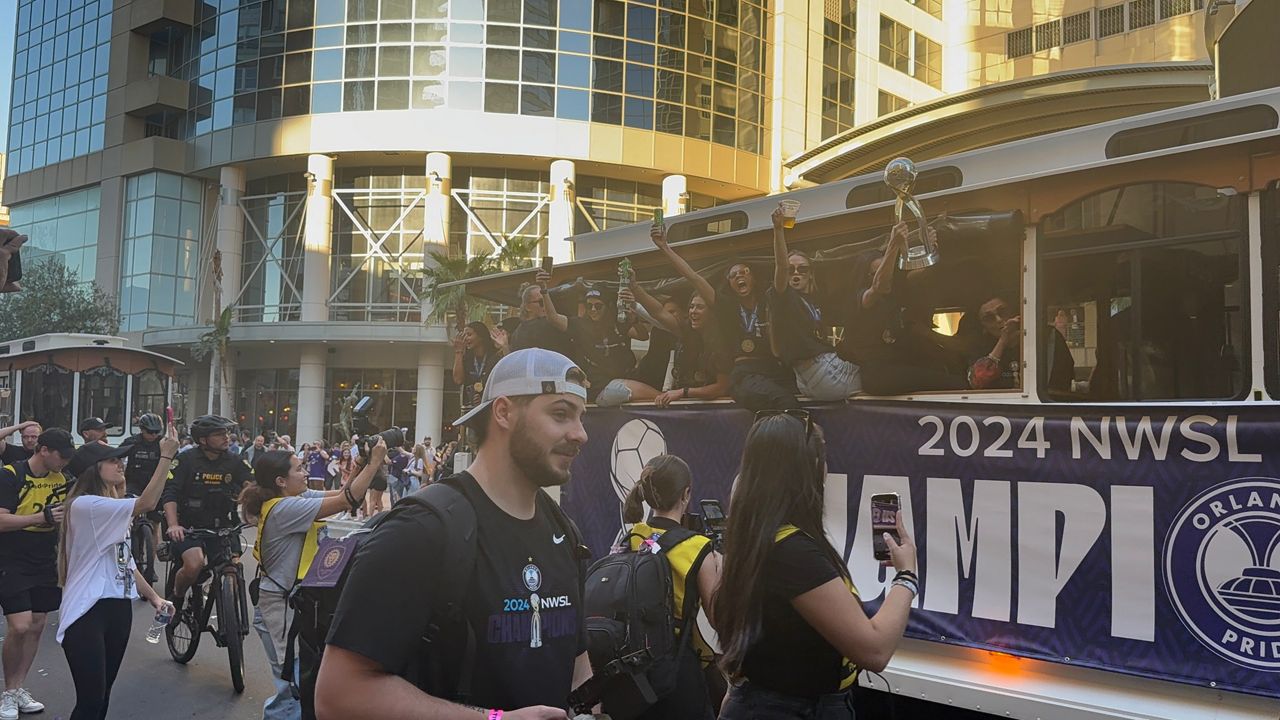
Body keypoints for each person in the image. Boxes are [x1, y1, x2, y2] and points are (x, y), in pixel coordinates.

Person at [317, 348, 595, 720]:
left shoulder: (564, 532)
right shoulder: (420, 531)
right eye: (560, 414)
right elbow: (338, 695)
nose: (580, 434)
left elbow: (575, 660)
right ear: (504, 412)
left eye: (580, 417)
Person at [712, 411, 918, 719]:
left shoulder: (759, 537)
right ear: (808, 469)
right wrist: (906, 576)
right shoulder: (792, 553)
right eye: (821, 457)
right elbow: (874, 649)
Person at [240, 439, 387, 720]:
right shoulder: (284, 509)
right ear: (281, 481)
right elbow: (349, 500)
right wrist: (376, 463)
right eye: (299, 469)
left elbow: (344, 492)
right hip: (277, 606)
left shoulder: (295, 500)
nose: (305, 472)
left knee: (298, 680)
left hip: (290, 602)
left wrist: (359, 467)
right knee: (293, 683)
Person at [55, 423, 179, 720]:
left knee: (104, 698)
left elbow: (124, 560)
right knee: (90, 701)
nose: (120, 463)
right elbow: (148, 503)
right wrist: (166, 458)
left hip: (117, 607)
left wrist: (154, 598)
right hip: (88, 611)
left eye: (120, 458)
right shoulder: (85, 505)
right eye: (112, 460)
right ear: (92, 469)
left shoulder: (109, 506)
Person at [652, 224, 799, 411]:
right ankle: (807, 434)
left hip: (774, 368)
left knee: (798, 397)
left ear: (752, 278)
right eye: (733, 275)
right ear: (729, 283)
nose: (739, 276)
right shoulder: (726, 306)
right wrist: (664, 247)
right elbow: (694, 277)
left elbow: (782, 267)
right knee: (783, 401)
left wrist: (778, 230)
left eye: (744, 272)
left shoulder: (768, 300)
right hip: (745, 373)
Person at [620, 455, 723, 719]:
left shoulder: (633, 536)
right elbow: (719, 618)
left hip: (632, 671)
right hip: (677, 671)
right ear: (686, 494)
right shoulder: (697, 546)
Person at [0, 428, 76, 720]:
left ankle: (18, 687)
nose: (65, 462)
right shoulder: (10, 475)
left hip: (44, 556)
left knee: (37, 624)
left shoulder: (64, 479)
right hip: (11, 555)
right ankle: (8, 692)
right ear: (43, 450)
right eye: (62, 456)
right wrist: (40, 517)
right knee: (19, 626)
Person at [841, 224, 966, 395]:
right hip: (878, 374)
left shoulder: (894, 295)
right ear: (865, 277)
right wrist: (894, 245)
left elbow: (920, 275)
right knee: (953, 384)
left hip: (899, 365)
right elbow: (879, 286)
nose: (884, 275)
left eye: (885, 271)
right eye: (875, 273)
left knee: (946, 373)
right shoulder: (861, 297)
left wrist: (929, 249)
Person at [768, 205, 861, 401]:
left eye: (802, 269)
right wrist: (778, 230)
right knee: (876, 375)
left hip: (808, 380)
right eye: (791, 269)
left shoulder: (814, 302)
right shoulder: (785, 297)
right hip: (823, 372)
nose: (795, 273)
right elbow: (781, 266)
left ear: (810, 274)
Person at [161, 415, 253, 612]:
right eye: (219, 434)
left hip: (224, 526)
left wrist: (254, 509)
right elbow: (170, 493)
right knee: (194, 565)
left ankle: (230, 620)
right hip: (189, 528)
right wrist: (173, 524)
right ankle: (176, 598)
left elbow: (251, 485)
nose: (226, 437)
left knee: (234, 570)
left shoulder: (234, 460)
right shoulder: (186, 460)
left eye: (227, 433)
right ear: (203, 440)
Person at [617, 280, 731, 407]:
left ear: (711, 313)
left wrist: (683, 392)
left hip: (713, 409)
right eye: (691, 307)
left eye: (700, 307)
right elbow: (658, 313)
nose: (693, 311)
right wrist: (635, 288)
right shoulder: (687, 332)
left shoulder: (721, 343)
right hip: (684, 403)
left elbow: (721, 387)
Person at [542, 284, 645, 405]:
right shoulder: (580, 325)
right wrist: (544, 290)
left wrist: (635, 320)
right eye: (589, 306)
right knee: (652, 395)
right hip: (601, 388)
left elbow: (643, 336)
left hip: (626, 379)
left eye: (598, 306)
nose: (593, 310)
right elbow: (553, 318)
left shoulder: (617, 323)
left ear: (608, 306)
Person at [966, 295, 1075, 393]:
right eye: (989, 318)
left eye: (1002, 311)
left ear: (1013, 311)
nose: (998, 319)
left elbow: (1063, 379)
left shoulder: (1045, 336)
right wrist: (1003, 341)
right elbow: (978, 382)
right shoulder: (980, 347)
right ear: (983, 327)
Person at [119, 412, 170, 583]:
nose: (153, 436)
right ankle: (129, 558)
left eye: (157, 432)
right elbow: (116, 458)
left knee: (155, 526)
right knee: (129, 521)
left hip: (155, 486)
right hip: (134, 484)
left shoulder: (163, 443)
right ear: (141, 430)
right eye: (150, 432)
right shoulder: (132, 442)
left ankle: (151, 567)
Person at [509, 271, 574, 359]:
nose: (546, 305)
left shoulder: (516, 333)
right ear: (527, 307)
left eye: (547, 301)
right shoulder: (548, 325)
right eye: (541, 302)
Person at [453, 321, 504, 411]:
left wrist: (484, 398)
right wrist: (458, 352)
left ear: (481, 336)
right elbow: (458, 380)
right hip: (469, 409)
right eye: (464, 335)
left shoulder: (494, 356)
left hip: (490, 408)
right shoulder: (466, 358)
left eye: (469, 334)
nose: (465, 339)